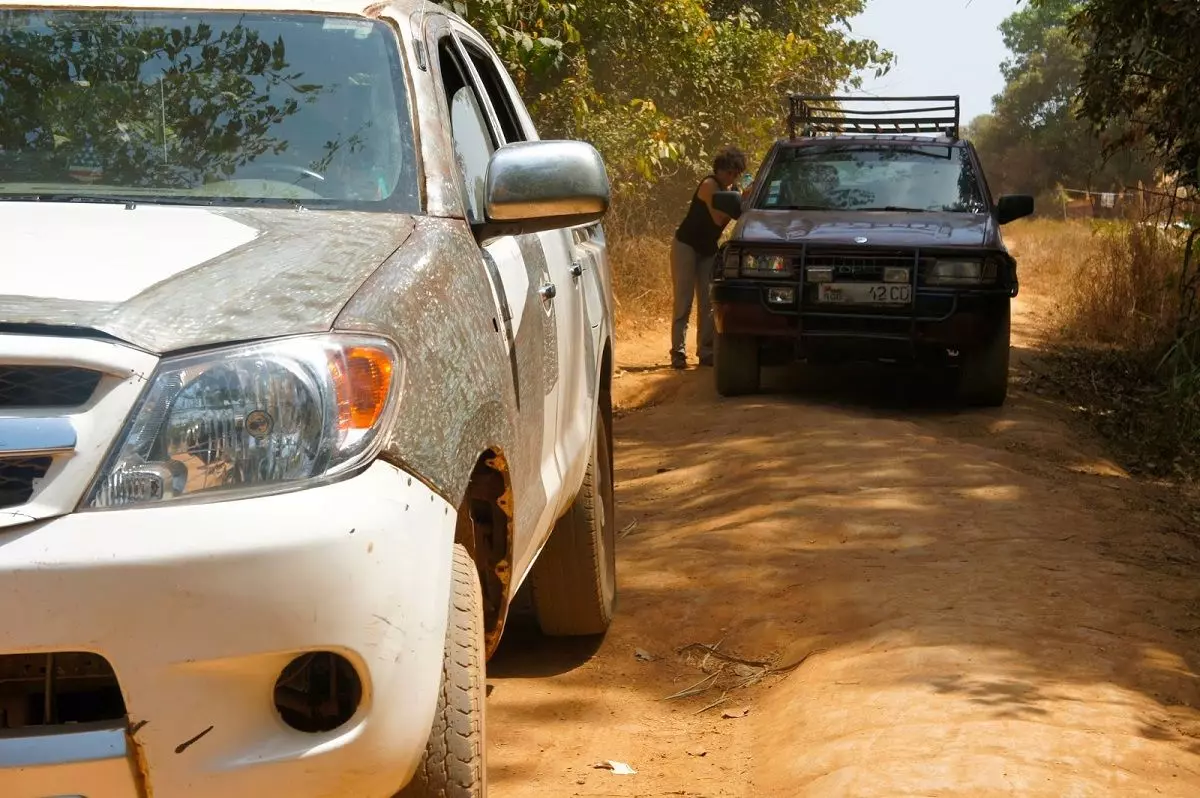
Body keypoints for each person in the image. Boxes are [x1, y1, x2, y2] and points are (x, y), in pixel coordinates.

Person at [670, 146, 748, 369]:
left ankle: (706, 352)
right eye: (729, 172)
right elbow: (718, 219)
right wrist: (741, 201)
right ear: (720, 170)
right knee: (684, 301)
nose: (732, 177)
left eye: (736, 174)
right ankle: (678, 353)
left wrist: (743, 199)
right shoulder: (709, 185)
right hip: (686, 245)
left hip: (708, 248)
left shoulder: (732, 190)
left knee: (708, 302)